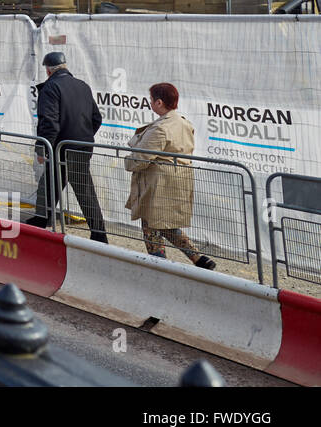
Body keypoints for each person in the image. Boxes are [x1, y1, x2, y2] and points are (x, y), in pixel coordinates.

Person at [125, 83, 216, 270]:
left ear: (159, 102)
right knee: (165, 224)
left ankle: (160, 265)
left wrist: (128, 160)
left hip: (158, 184)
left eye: (151, 100)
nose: (150, 103)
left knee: (150, 223)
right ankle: (198, 259)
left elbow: (141, 159)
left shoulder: (160, 128)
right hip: (178, 181)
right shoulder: (184, 123)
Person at [26, 52, 108, 242]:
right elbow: (97, 118)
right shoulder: (82, 86)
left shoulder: (51, 87)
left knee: (79, 190)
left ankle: (100, 234)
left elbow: (49, 123)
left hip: (60, 148)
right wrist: (83, 136)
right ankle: (41, 220)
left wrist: (42, 148)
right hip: (82, 146)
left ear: (48, 70)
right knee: (52, 185)